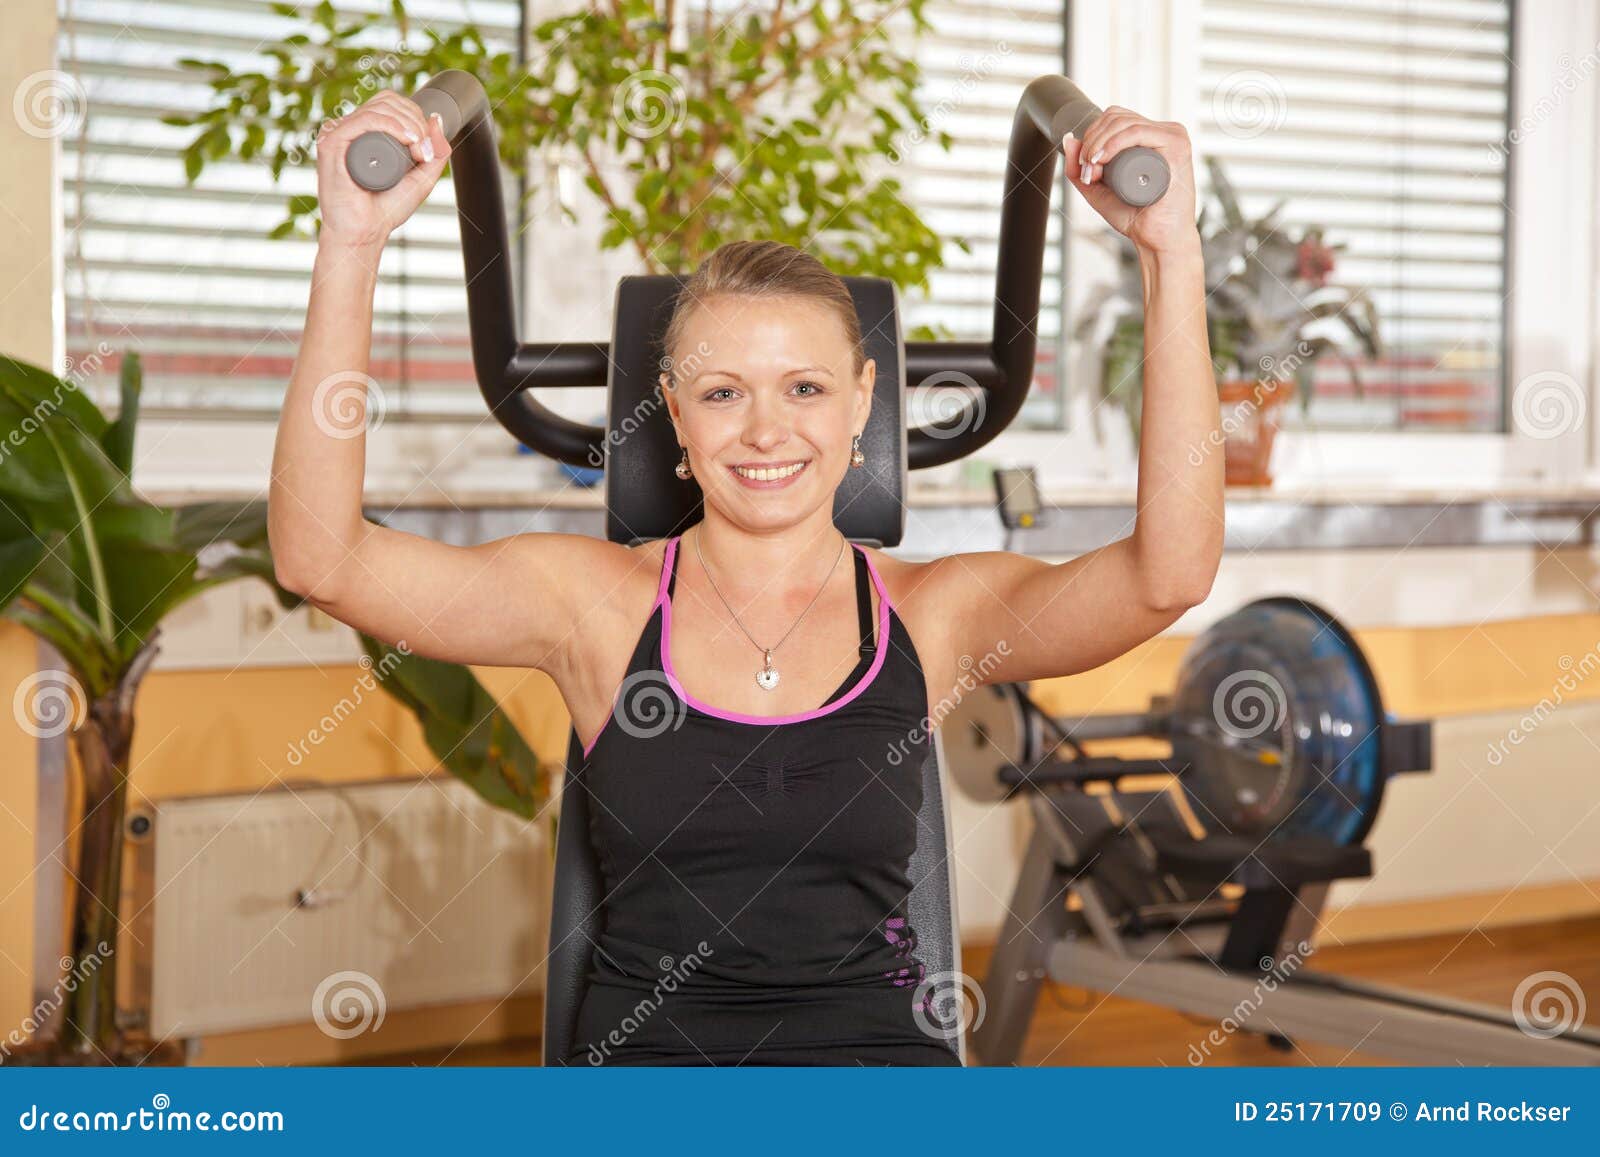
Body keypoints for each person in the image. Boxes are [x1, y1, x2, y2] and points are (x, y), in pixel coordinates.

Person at [269, 91, 1223, 1066]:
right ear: (675, 413)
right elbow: (322, 559)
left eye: (804, 388)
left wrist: (1170, 254)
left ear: (862, 400)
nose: (767, 431)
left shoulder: (933, 614)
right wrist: (351, 243)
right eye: (723, 392)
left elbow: (1167, 576)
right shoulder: (590, 606)